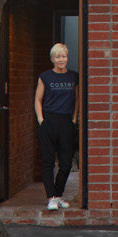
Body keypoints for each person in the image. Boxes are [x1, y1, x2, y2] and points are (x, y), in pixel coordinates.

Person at [35, 42, 79, 210]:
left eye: (64, 56)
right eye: (58, 56)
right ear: (52, 59)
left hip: (66, 122)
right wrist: (41, 120)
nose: (61, 59)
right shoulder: (45, 77)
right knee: (48, 162)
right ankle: (51, 198)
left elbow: (78, 99)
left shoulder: (74, 77)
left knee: (66, 163)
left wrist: (74, 119)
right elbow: (38, 99)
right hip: (49, 121)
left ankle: (58, 195)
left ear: (67, 58)